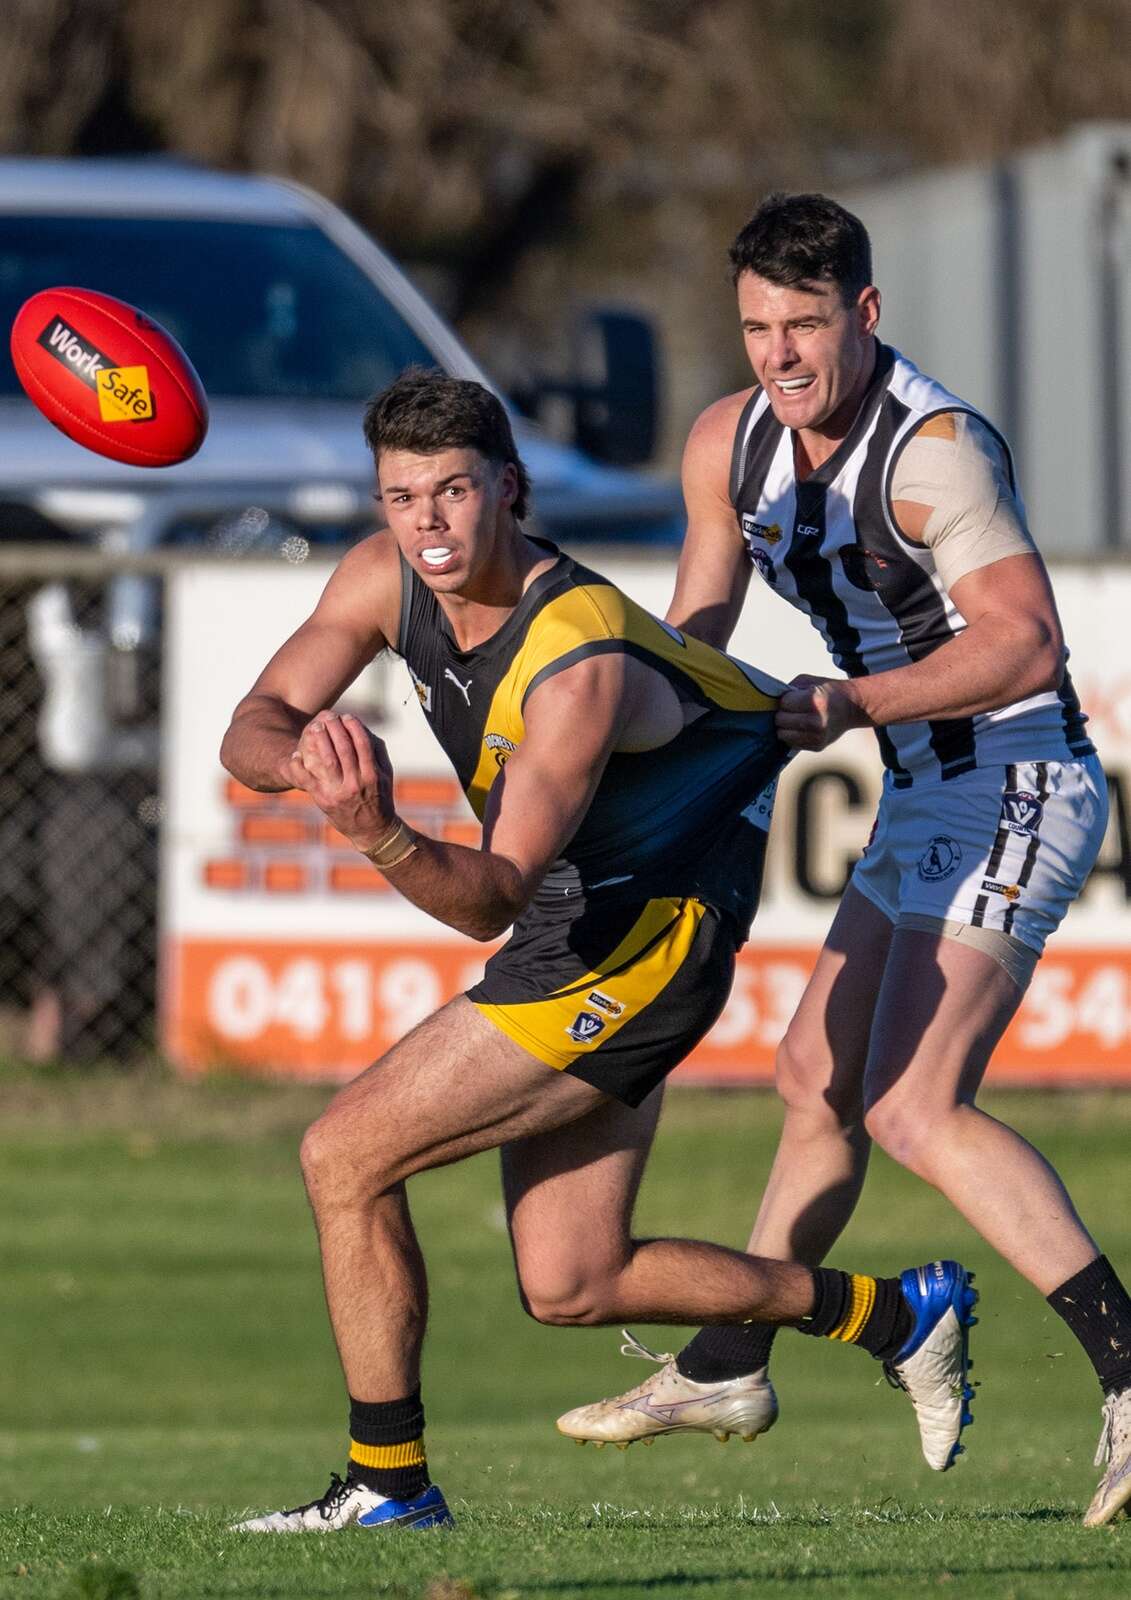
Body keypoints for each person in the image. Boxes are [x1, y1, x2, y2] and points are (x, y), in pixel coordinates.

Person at [221, 368, 974, 1533]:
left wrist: (372, 826)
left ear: (510, 491)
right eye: (400, 494)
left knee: (343, 1155)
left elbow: (490, 900)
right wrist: (305, 756)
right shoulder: (383, 576)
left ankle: (389, 1483)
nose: (424, 521)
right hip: (587, 921)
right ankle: (897, 1312)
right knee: (571, 1279)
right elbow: (250, 724)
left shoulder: (576, 660)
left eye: (453, 491)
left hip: (643, 939)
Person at [554, 192, 1131, 1527]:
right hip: (920, 787)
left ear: (862, 315)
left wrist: (853, 706)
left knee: (910, 1107)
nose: (777, 354)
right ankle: (727, 1362)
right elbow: (692, 635)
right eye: (754, 325)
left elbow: (1025, 645)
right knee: (810, 1076)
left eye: (803, 324)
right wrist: (618, 736)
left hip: (1015, 779)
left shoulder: (933, 454)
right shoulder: (725, 442)